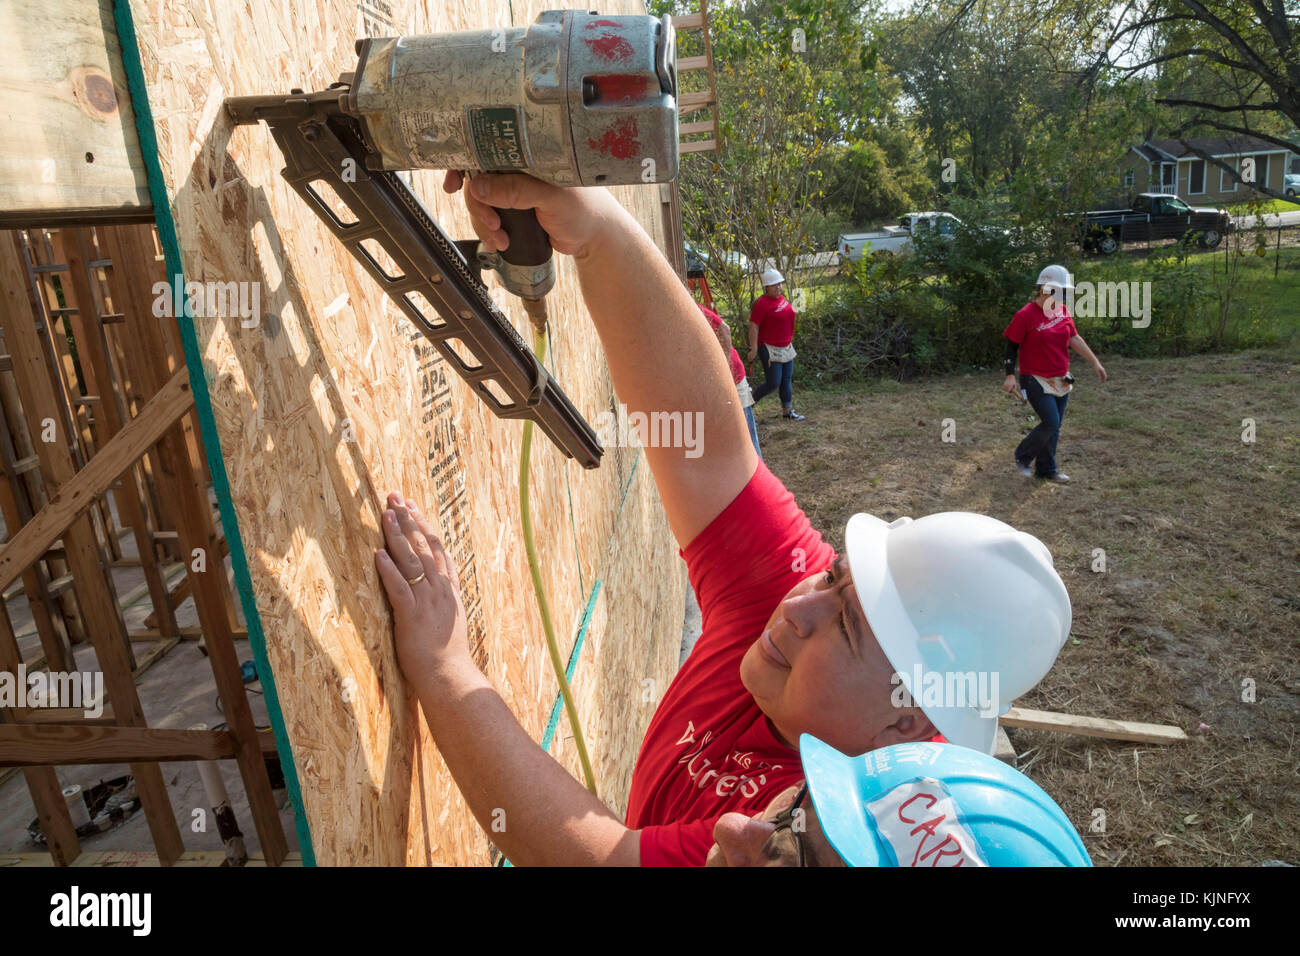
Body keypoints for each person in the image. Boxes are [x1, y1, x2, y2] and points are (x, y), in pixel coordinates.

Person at [373, 171, 1073, 866]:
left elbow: (592, 855)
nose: (800, 607)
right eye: (834, 578)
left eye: (850, 626)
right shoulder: (797, 622)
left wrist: (444, 668)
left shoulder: (830, 839)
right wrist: (595, 228)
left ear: (907, 721)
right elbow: (702, 449)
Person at [1002, 265, 1108, 484]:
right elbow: (1011, 346)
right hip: (1034, 378)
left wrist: (1095, 362)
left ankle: (1047, 469)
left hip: (1060, 377)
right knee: (1050, 422)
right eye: (1058, 292)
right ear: (1044, 289)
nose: (1063, 297)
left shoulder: (1062, 312)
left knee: (1055, 426)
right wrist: (1010, 375)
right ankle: (1022, 455)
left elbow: (1074, 339)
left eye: (1064, 293)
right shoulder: (1025, 315)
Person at [698, 301, 761, 459]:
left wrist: (723, 367)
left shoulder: (690, 308)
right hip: (712, 383)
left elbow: (724, 329)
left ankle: (757, 471)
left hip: (732, 376)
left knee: (747, 433)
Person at [746, 268, 805, 421]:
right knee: (773, 382)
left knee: (786, 379)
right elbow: (753, 326)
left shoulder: (782, 298)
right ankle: (748, 405)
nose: (778, 287)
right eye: (774, 285)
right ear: (766, 287)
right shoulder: (762, 304)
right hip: (769, 348)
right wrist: (753, 348)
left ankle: (787, 411)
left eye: (779, 284)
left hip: (786, 346)